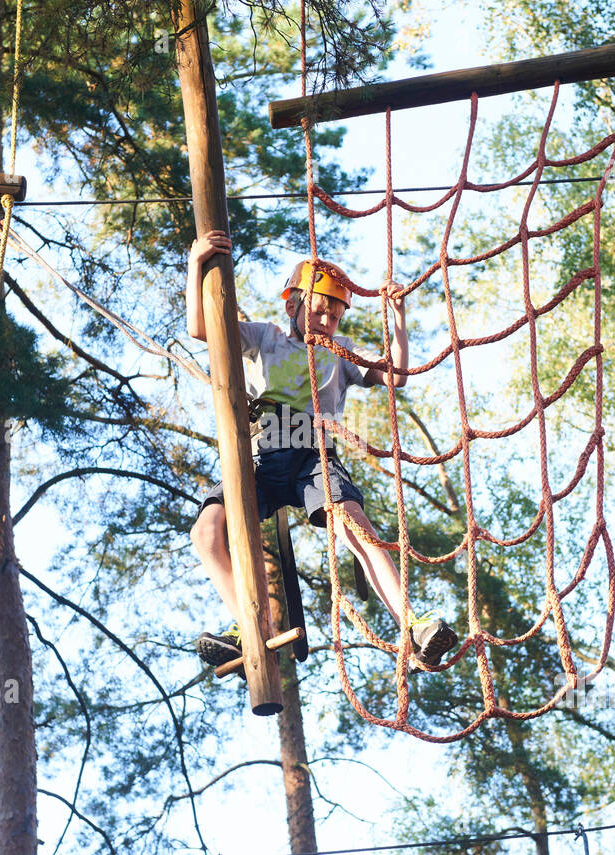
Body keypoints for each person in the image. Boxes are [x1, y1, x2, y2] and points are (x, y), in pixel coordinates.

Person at [185, 229, 458, 673]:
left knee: (353, 527)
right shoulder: (266, 337)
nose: (326, 321)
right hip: (259, 450)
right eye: (318, 310)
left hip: (313, 452)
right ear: (292, 305)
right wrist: (197, 264)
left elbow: (397, 375)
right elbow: (202, 329)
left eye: (334, 315)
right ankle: (249, 626)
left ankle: (413, 625)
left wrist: (398, 317)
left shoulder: (341, 352)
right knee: (206, 531)